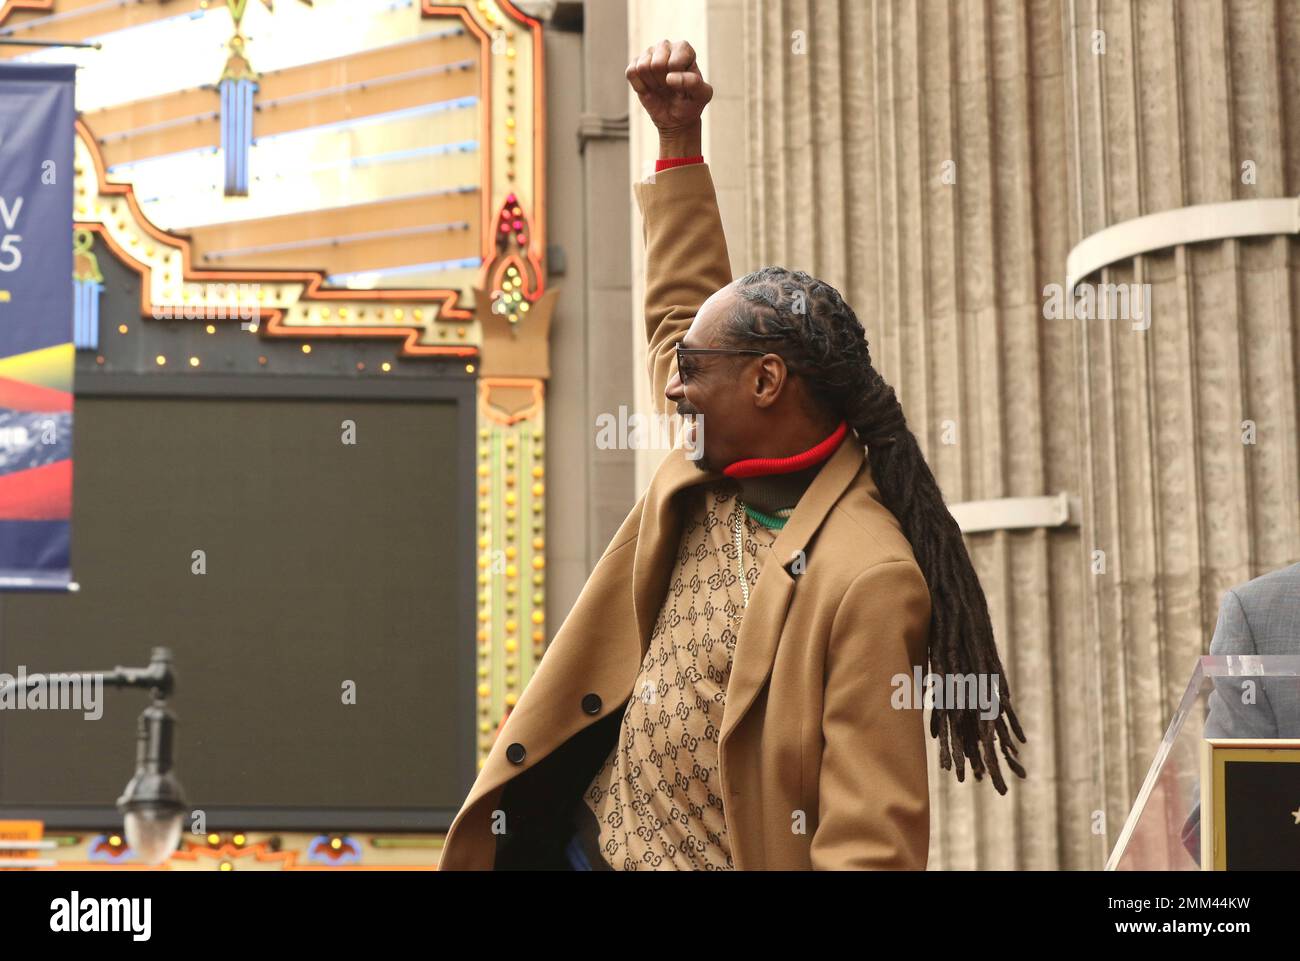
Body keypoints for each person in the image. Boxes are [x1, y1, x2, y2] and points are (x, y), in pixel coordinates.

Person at [438, 39, 1024, 872]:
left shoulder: (870, 575)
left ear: (766, 381)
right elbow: (685, 317)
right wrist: (678, 142)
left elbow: (872, 844)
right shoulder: (716, 454)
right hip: (578, 843)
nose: (673, 392)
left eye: (692, 377)